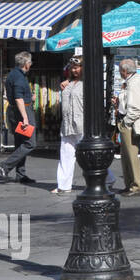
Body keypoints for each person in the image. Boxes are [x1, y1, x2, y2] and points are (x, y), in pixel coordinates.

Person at [0, 51, 37, 183]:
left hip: (14, 110)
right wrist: (25, 117)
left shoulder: (13, 74)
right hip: (22, 111)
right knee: (30, 143)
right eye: (30, 63)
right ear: (26, 64)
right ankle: (5, 165)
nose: (30, 65)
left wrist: (30, 97)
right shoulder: (19, 78)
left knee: (20, 143)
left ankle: (20, 174)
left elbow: (16, 95)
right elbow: (19, 98)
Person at [116, 58, 140, 196]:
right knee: (125, 155)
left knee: (131, 155)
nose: (119, 72)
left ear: (125, 71)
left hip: (131, 124)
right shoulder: (130, 81)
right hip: (127, 122)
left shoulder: (135, 82)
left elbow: (136, 107)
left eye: (120, 70)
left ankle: (137, 185)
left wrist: (126, 122)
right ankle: (130, 184)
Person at [54, 58, 84, 196]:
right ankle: (64, 185)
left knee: (87, 155)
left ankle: (107, 179)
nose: (74, 70)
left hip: (82, 124)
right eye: (72, 67)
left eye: (77, 67)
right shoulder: (68, 83)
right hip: (67, 124)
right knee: (65, 154)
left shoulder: (87, 83)